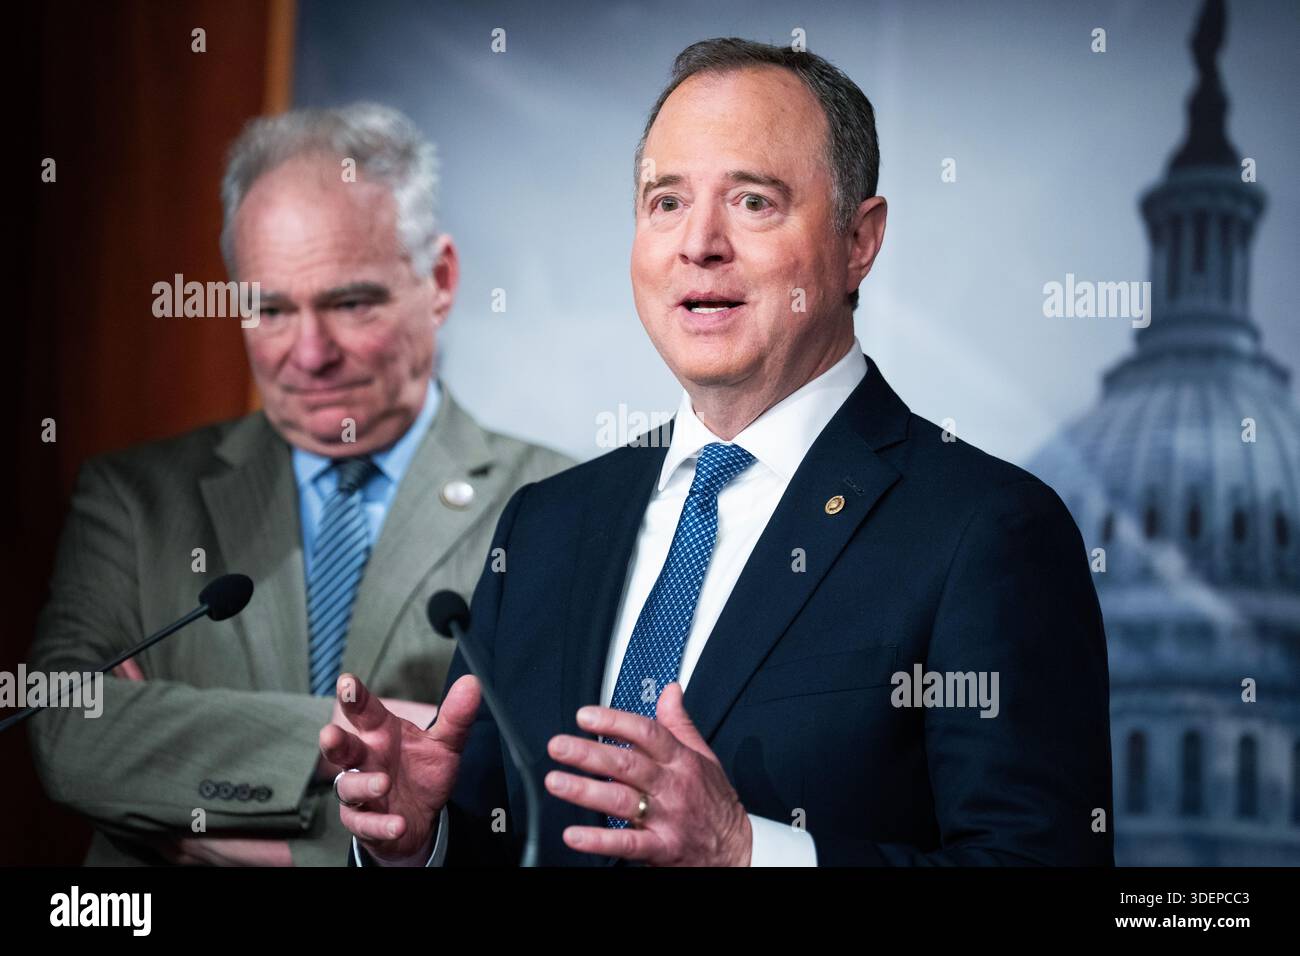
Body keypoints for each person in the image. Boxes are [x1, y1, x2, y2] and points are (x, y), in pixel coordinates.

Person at [325, 40, 1114, 867]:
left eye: (753, 201)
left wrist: (744, 853)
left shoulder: (987, 530)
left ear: (860, 240)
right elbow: (506, 835)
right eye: (665, 202)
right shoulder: (546, 526)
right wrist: (422, 839)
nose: (698, 243)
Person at [27, 103, 573, 866]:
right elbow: (64, 730)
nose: (308, 354)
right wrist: (357, 744)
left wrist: (189, 805)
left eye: (350, 303)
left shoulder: (561, 503)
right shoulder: (133, 498)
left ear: (440, 280)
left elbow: (541, 791)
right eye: (270, 308)